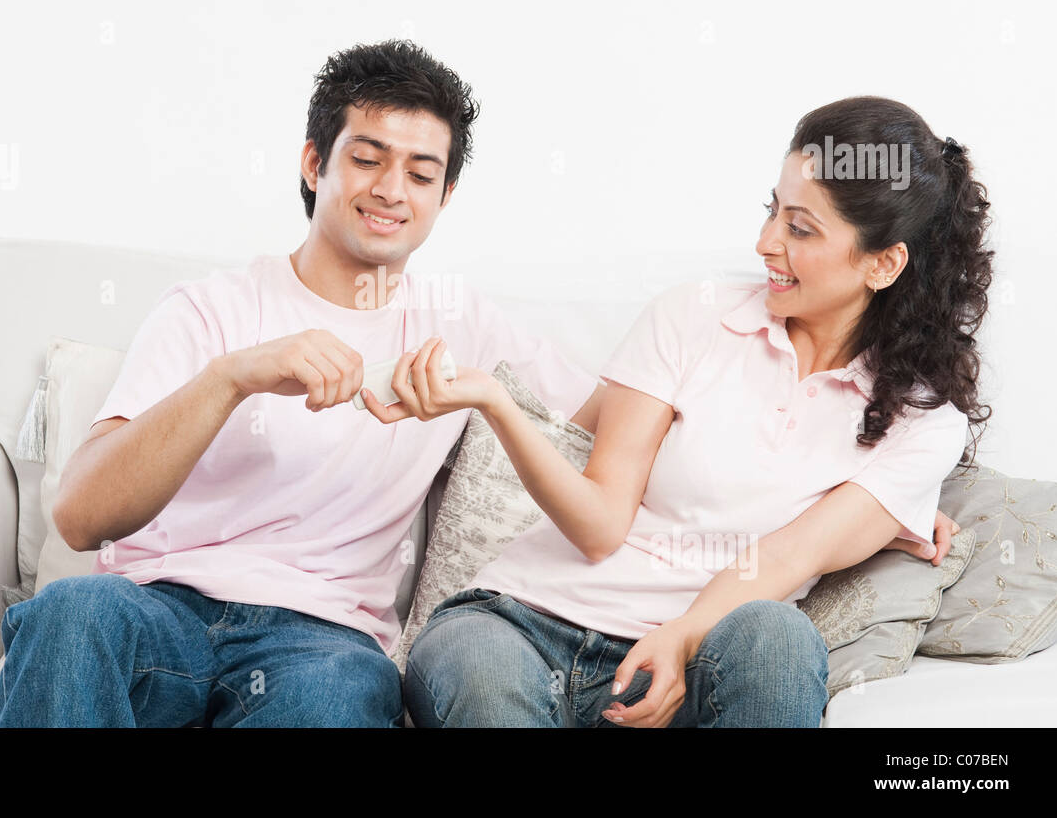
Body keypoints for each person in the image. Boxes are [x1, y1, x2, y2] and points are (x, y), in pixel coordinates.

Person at [0, 39, 609, 727]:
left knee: (338, 695)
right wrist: (234, 377)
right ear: (315, 162)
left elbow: (622, 415)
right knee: (71, 613)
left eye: (421, 173)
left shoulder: (464, 325)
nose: (390, 190)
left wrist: (494, 395)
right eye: (367, 159)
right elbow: (79, 516)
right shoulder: (208, 310)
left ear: (445, 195)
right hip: (159, 606)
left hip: (319, 640)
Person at [368, 96, 992, 728]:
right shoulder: (692, 316)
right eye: (772, 210)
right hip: (525, 624)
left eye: (800, 229)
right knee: (479, 670)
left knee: (777, 636)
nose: (765, 242)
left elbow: (782, 560)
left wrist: (683, 637)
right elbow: (599, 524)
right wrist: (496, 402)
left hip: (696, 665)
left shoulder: (923, 423)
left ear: (883, 263)